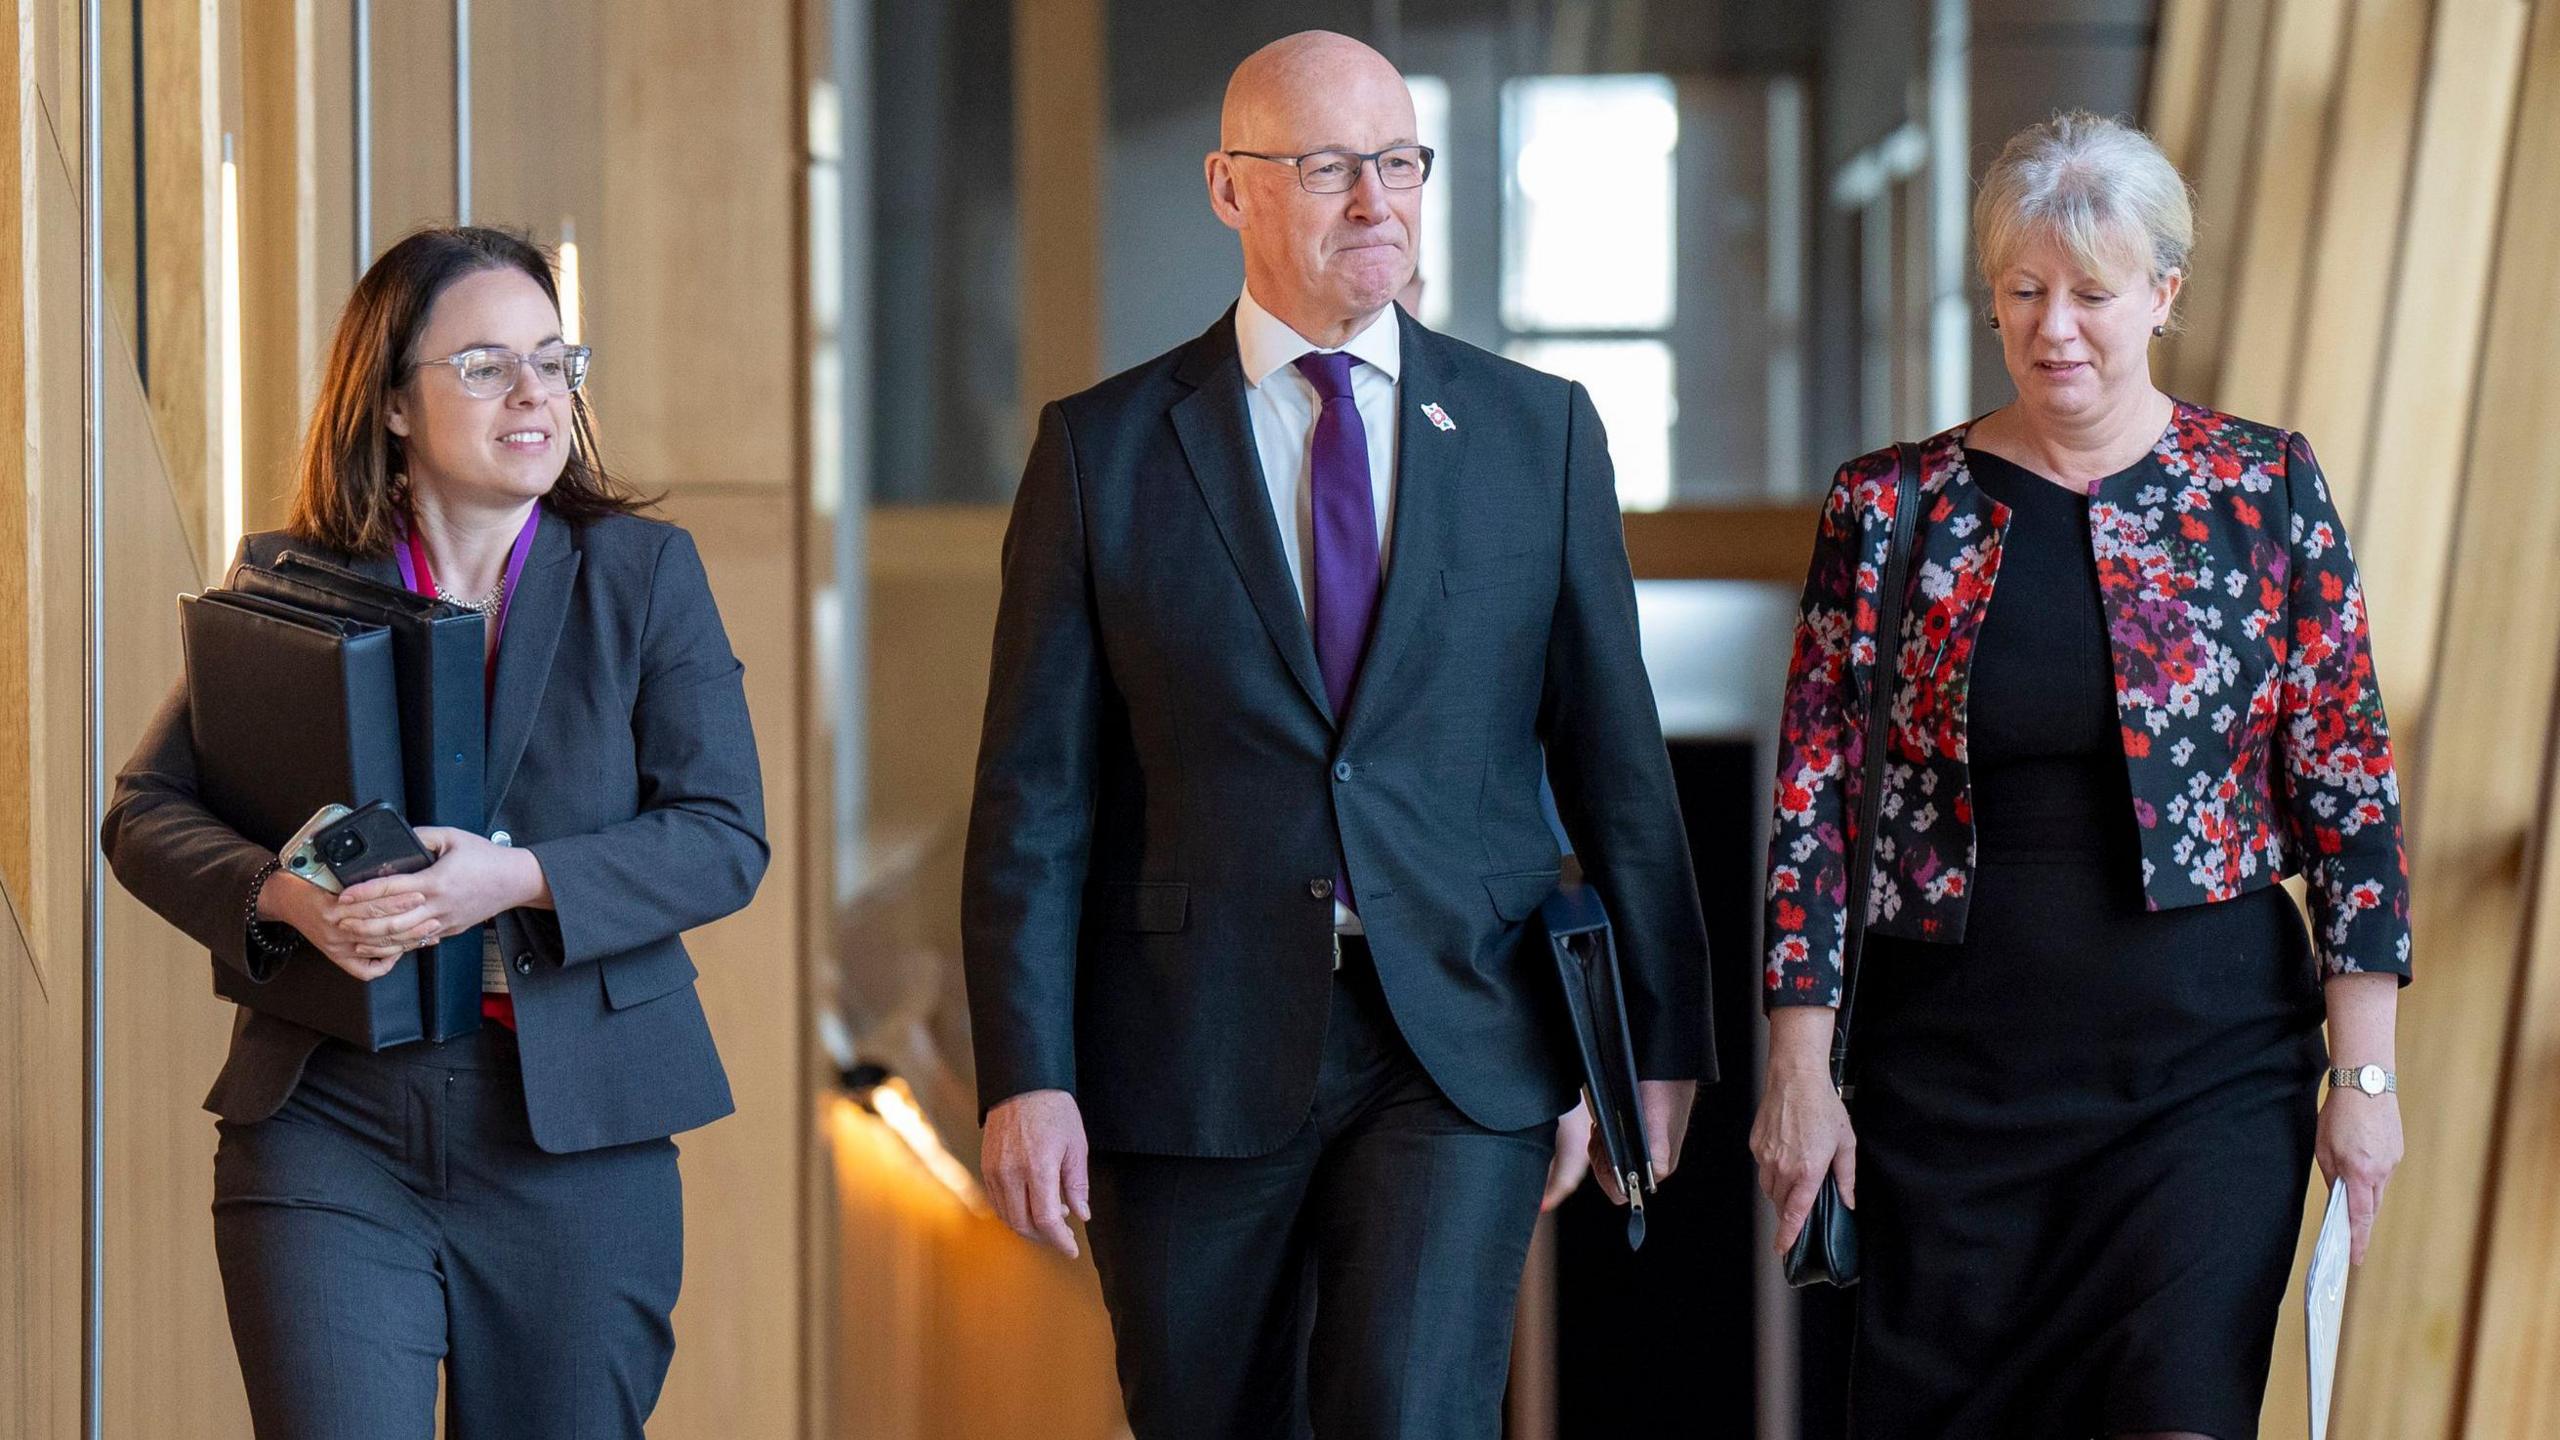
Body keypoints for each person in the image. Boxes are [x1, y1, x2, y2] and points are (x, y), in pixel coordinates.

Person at [961, 30, 1711, 1439]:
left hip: (1461, 1029)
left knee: (1410, 1413)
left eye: (1397, 163)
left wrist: (1649, 1040)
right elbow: (1034, 800)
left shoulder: (1536, 432)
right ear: (1229, 189)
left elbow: (1617, 760)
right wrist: (1029, 1075)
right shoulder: (1102, 451)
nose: (1375, 201)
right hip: (1186, 1043)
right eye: (1325, 169)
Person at [1751, 113, 2410, 1439]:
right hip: (1951, 1090)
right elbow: (1816, 806)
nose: (2058, 327)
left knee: (2176, 1406)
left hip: (2204, 1083)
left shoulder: (2263, 491)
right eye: (2024, 292)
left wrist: (2367, 1081)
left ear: (2163, 294)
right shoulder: (1891, 511)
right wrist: (1799, 1073)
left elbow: (2349, 791)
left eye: (2093, 294)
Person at [101, 225, 766, 1438]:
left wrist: (514, 879)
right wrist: (284, 897)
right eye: (484, 365)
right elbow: (146, 812)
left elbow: (723, 836)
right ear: (393, 403)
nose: (534, 393)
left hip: (574, 1138)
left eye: (553, 360)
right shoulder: (295, 582)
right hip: (329, 1123)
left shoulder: (642, 574)